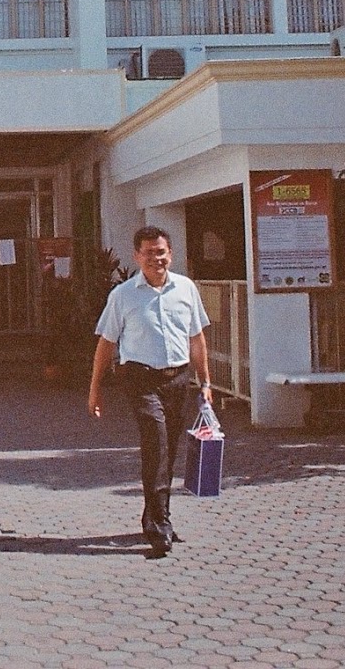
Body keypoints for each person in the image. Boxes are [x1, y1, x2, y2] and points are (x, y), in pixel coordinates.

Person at [87, 225, 212, 559]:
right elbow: (106, 344)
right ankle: (159, 527)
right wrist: (95, 389)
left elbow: (197, 339)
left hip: (177, 379)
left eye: (161, 252)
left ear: (171, 254)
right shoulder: (123, 295)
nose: (156, 259)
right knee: (156, 444)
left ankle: (155, 515)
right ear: (136, 256)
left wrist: (205, 383)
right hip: (140, 379)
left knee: (167, 450)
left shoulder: (185, 289)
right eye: (149, 253)